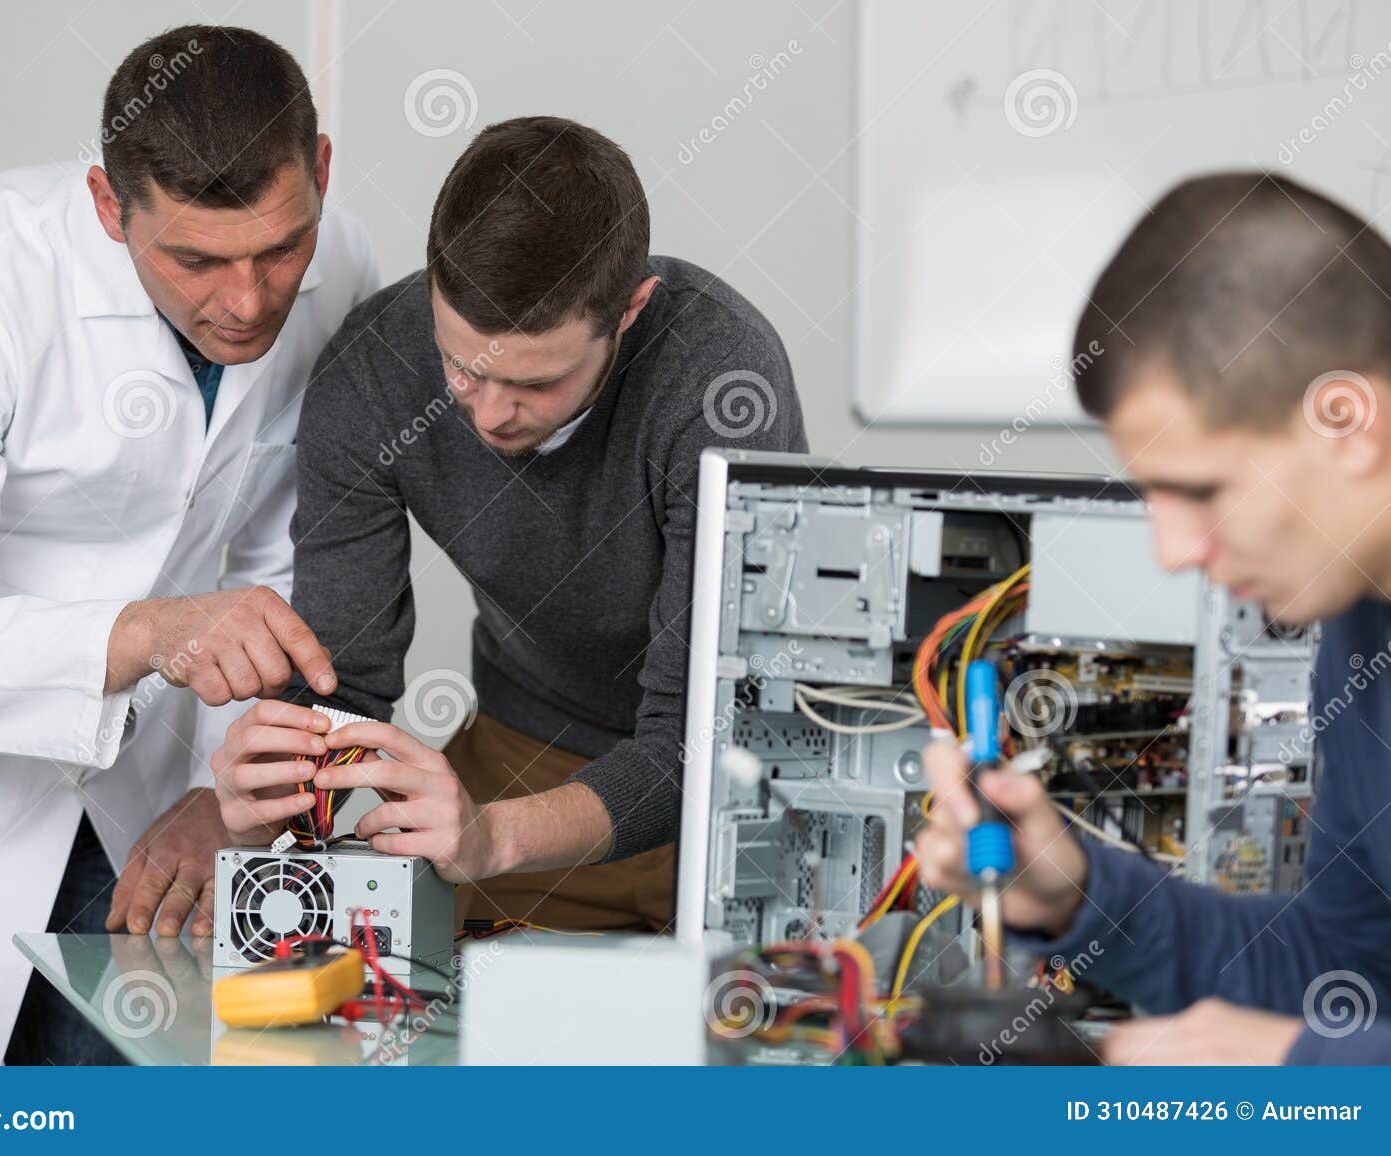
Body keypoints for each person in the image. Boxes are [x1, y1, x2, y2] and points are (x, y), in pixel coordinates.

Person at [0, 25, 376, 1064]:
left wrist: (225, 793)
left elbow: (277, 563)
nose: (246, 302)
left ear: (320, 172)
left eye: (277, 249)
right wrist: (152, 632)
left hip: (153, 805)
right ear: (110, 207)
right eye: (193, 259)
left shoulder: (345, 261)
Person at [211, 117, 806, 932]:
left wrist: (496, 834)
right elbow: (342, 683)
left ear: (628, 312)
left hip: (743, 791)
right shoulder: (374, 373)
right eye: (461, 365)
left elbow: (700, 732)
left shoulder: (722, 383)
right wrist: (262, 808)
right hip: (530, 757)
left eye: (537, 382)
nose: (489, 413)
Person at [916, 171, 1391, 1064]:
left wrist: (1297, 1066)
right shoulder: (1363, 634)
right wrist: (1077, 896)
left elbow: (1331, 1041)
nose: (1171, 549)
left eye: (1200, 489)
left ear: (1351, 424)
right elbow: (1352, 977)